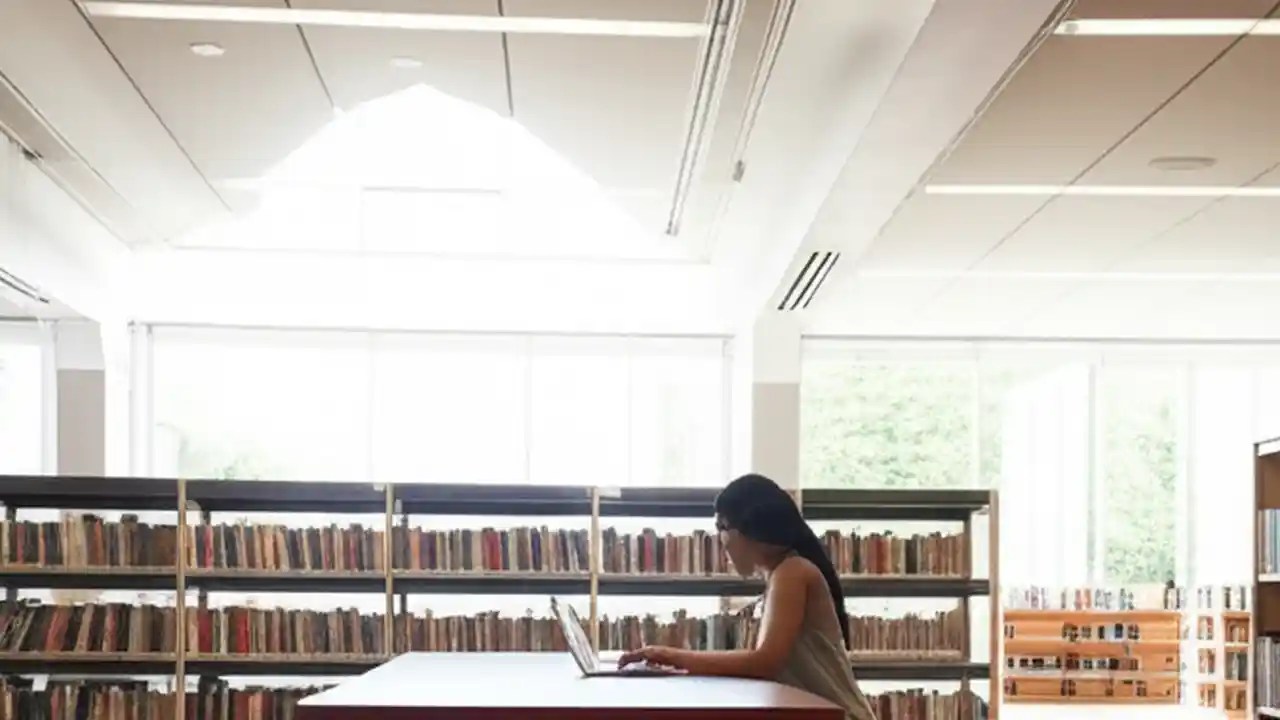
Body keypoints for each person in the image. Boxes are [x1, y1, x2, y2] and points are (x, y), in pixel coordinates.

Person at [619, 474, 878, 720]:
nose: (721, 540)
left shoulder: (793, 572)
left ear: (750, 526)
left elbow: (764, 662)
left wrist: (669, 656)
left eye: (722, 527)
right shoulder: (783, 573)